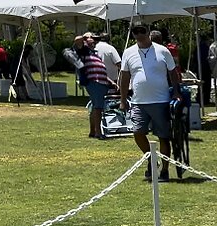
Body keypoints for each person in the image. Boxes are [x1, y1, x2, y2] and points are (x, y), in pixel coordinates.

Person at [119, 24, 181, 181]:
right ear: (133, 34)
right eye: (136, 32)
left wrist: (176, 92)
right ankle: (151, 159)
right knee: (138, 133)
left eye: (142, 31)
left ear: (148, 32)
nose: (139, 35)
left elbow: (172, 72)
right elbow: (125, 77)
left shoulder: (162, 50)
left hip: (160, 100)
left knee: (163, 136)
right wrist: (123, 99)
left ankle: (165, 170)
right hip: (139, 101)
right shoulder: (128, 52)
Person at [77, 36, 112, 139]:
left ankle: (93, 131)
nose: (93, 39)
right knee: (98, 108)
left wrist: (110, 82)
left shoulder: (95, 54)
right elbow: (77, 40)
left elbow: (99, 69)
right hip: (94, 82)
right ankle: (98, 132)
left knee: (95, 107)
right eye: (91, 37)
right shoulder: (83, 51)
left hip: (101, 82)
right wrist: (84, 37)